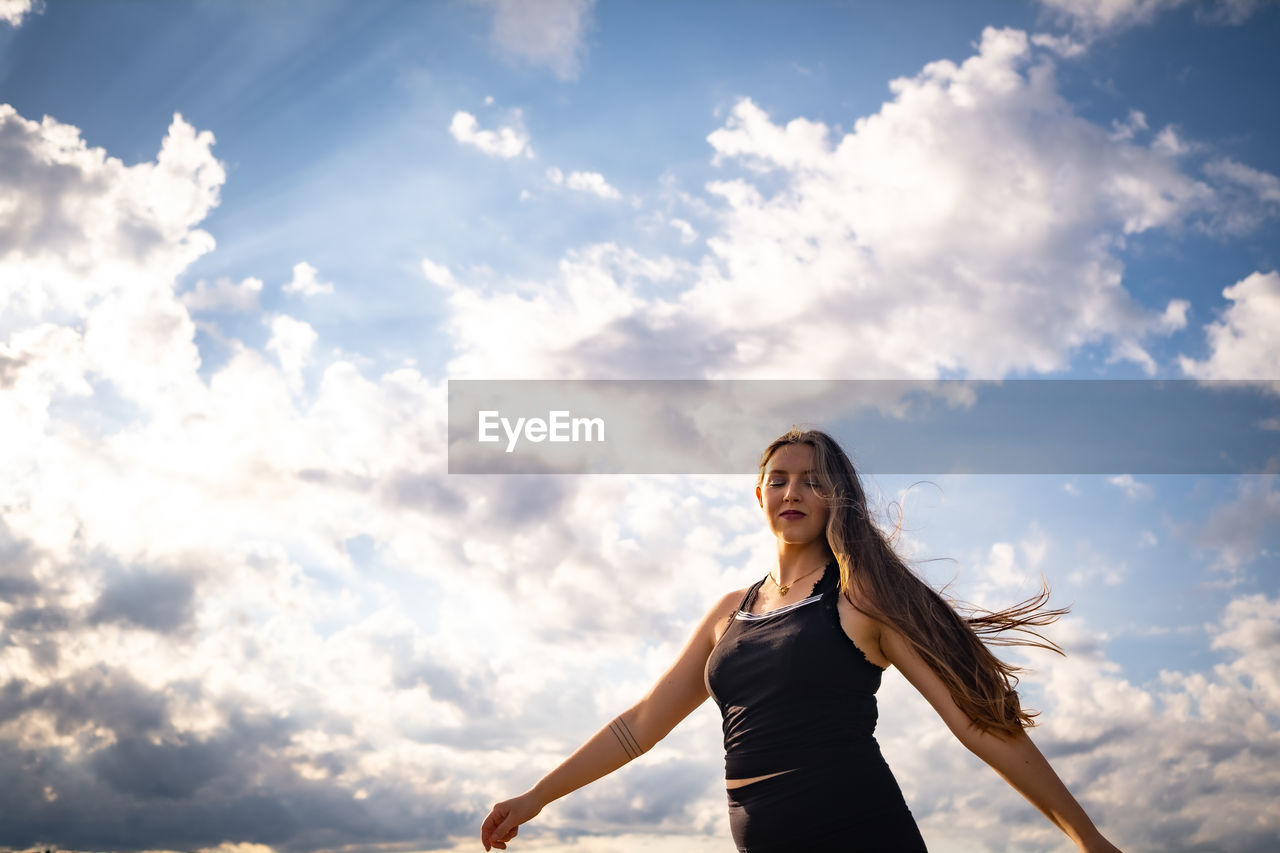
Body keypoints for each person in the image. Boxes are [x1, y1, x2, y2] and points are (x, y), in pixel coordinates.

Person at [480, 427, 1124, 852]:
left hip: (859, 831)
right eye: (780, 478)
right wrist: (538, 795)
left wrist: (1088, 840)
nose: (794, 491)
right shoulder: (727, 614)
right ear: (759, 493)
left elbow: (975, 725)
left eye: (813, 480)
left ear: (836, 498)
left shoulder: (858, 598)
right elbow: (641, 725)